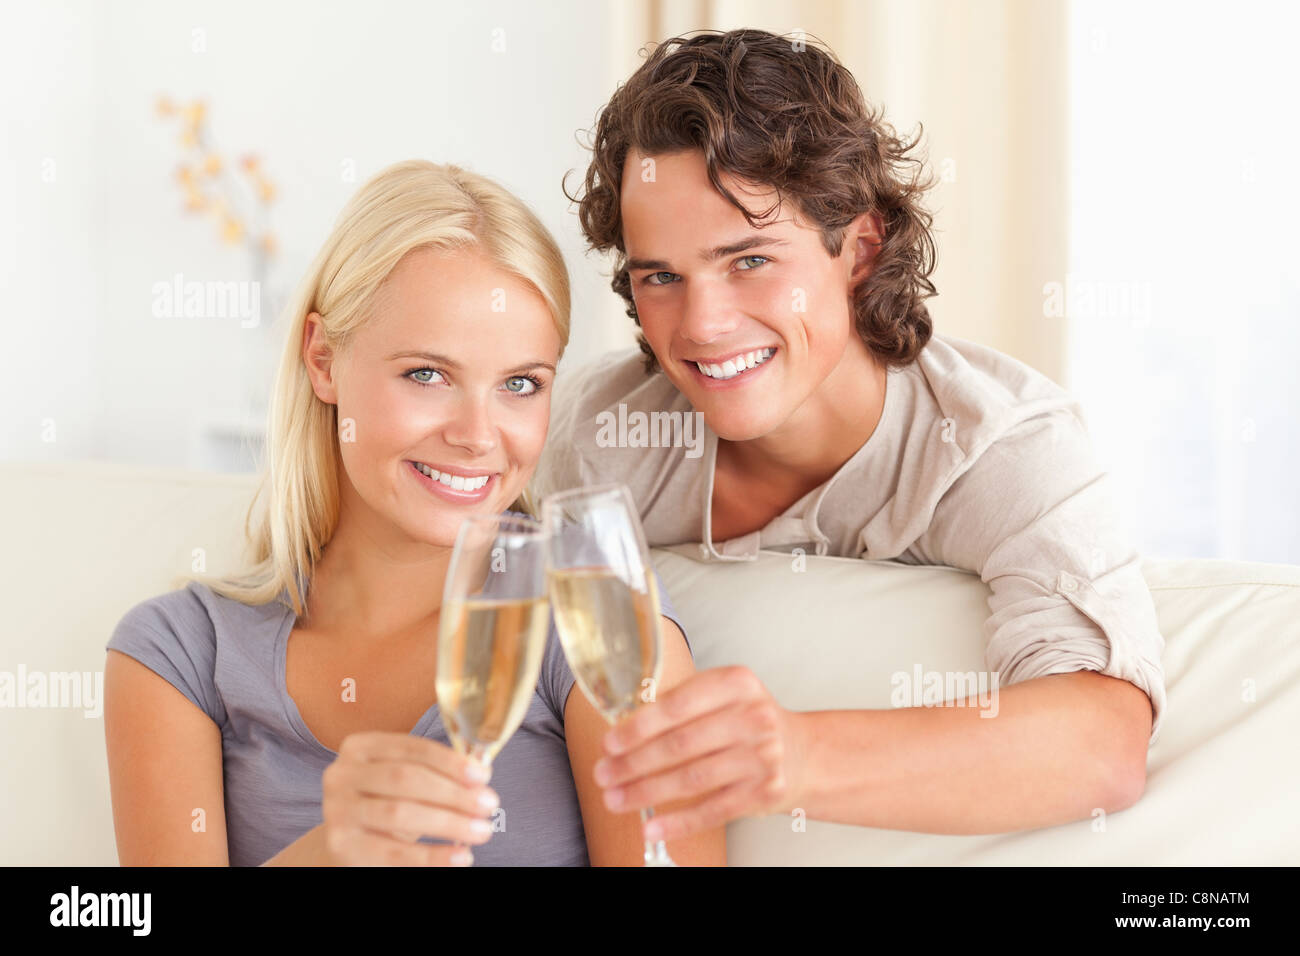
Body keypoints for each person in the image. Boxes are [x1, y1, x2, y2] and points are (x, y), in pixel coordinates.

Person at [535, 28, 1165, 843]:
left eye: (750, 260)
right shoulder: (595, 444)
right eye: (662, 276)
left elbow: (1101, 745)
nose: (703, 325)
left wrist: (790, 757)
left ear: (859, 249)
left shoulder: (998, 446)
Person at [103, 159, 725, 867]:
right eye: (427, 375)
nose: (477, 434)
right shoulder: (180, 655)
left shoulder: (589, 600)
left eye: (521, 384)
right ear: (324, 359)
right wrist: (330, 854)